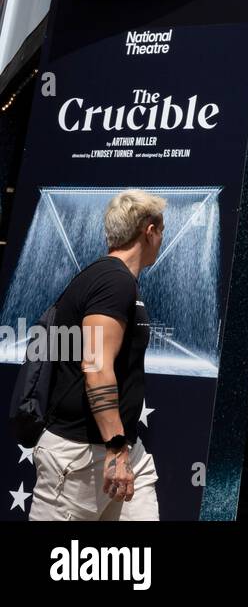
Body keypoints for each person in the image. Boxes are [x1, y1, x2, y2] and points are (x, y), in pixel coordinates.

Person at [29, 190, 164, 521]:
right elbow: (97, 366)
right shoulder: (112, 282)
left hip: (120, 449)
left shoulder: (115, 282)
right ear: (149, 230)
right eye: (162, 230)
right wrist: (116, 449)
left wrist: (121, 449)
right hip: (79, 456)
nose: (162, 238)